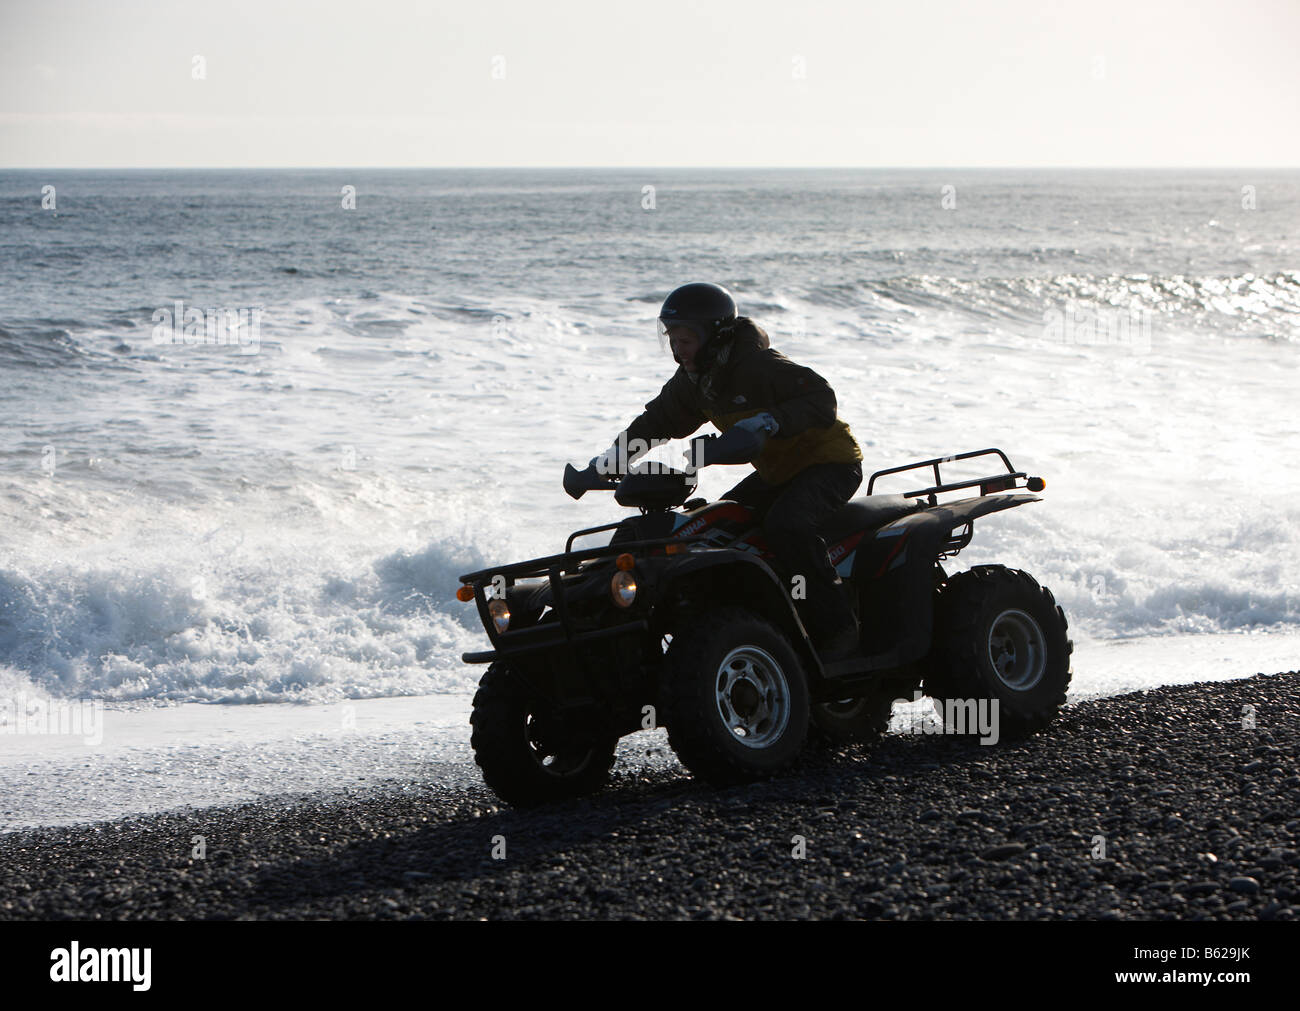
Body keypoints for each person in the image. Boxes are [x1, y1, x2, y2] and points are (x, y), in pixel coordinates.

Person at [590, 281, 865, 658]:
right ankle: (766, 611)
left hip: (830, 462)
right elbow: (656, 422)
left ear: (714, 336)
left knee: (788, 525)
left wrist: (770, 421)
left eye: (685, 340)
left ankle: (837, 627)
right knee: (719, 521)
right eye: (672, 339)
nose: (677, 349)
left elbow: (821, 398)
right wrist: (610, 461)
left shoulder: (757, 365)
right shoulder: (696, 379)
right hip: (777, 472)